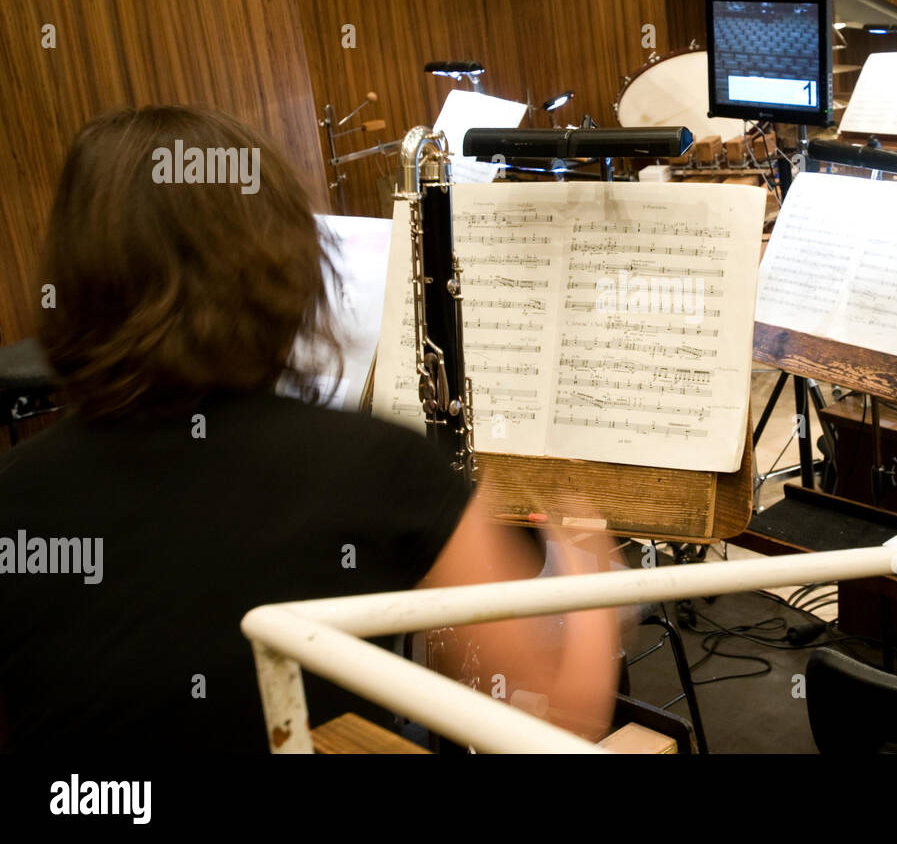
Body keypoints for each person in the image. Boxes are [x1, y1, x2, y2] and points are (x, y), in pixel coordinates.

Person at [0, 105, 617, 752]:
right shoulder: (381, 468)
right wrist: (590, 583)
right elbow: (553, 722)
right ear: (278, 259)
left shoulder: (13, 489)